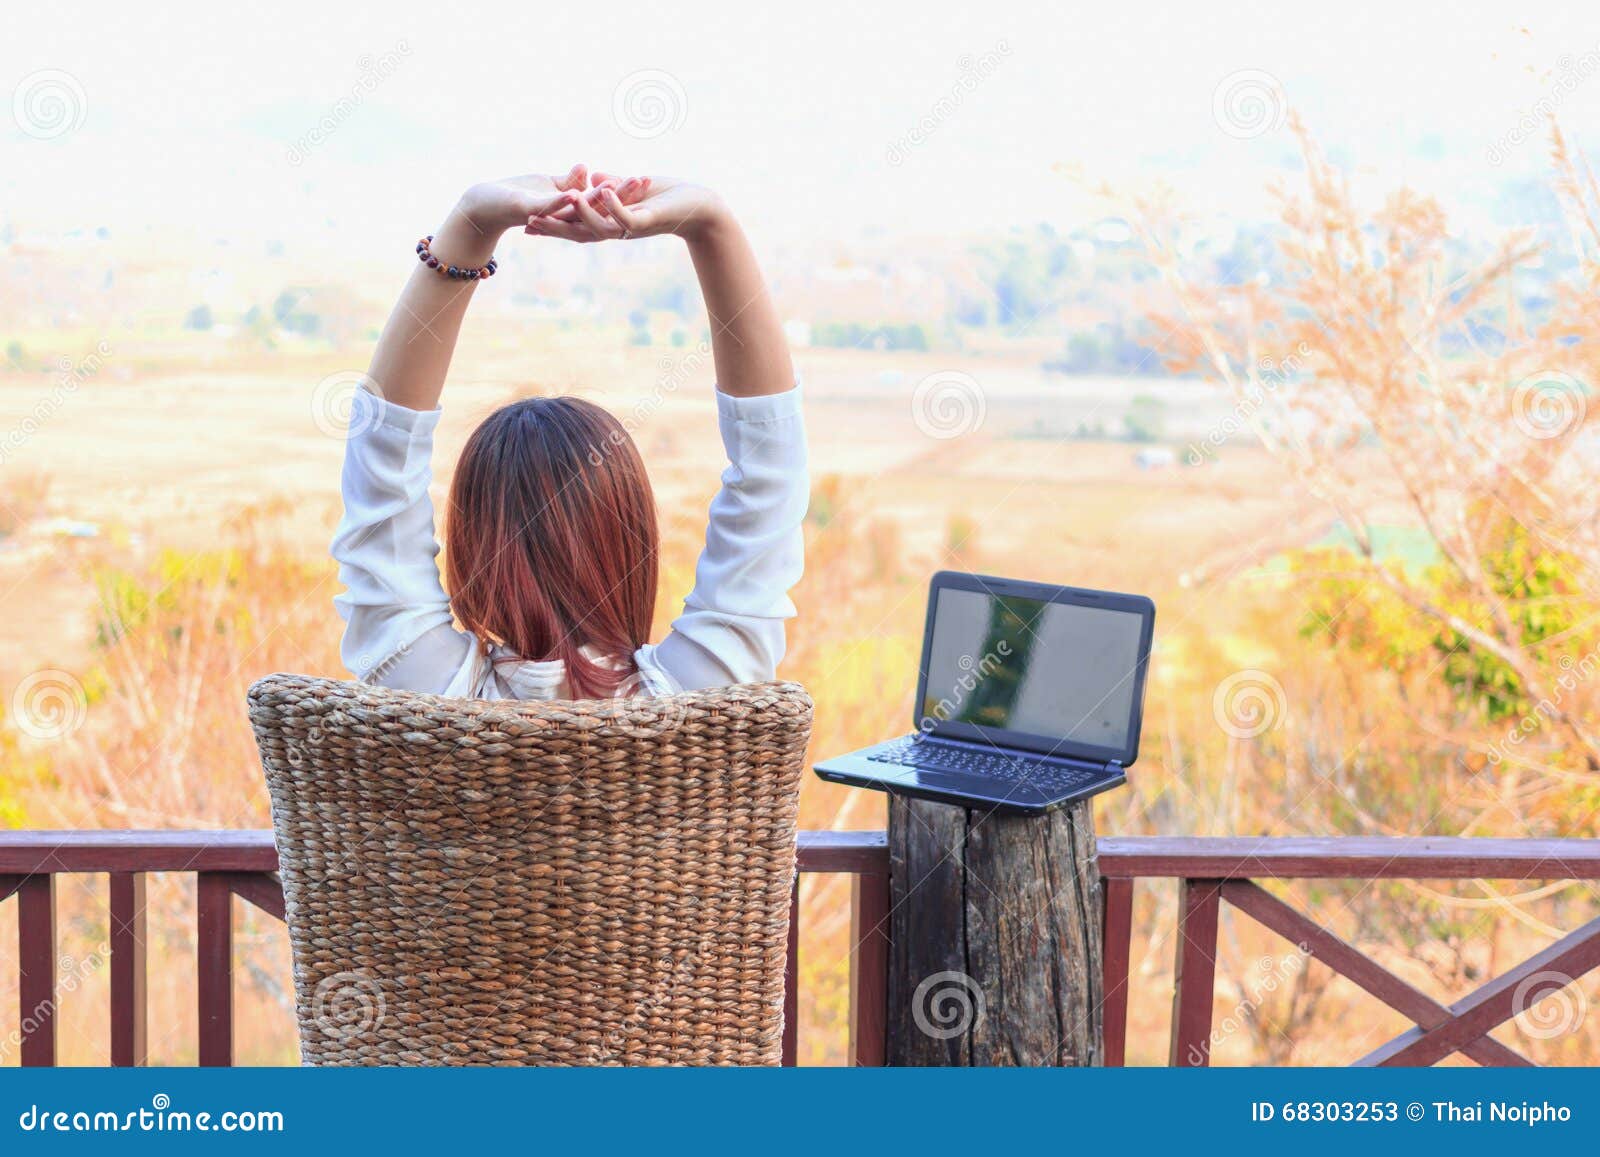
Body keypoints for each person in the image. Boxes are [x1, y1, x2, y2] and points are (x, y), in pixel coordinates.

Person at [331, 164, 806, 701]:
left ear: (471, 544)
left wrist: (471, 223)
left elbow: (382, 451)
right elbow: (772, 474)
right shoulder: (695, 695)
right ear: (634, 541)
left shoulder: (423, 683)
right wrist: (710, 223)